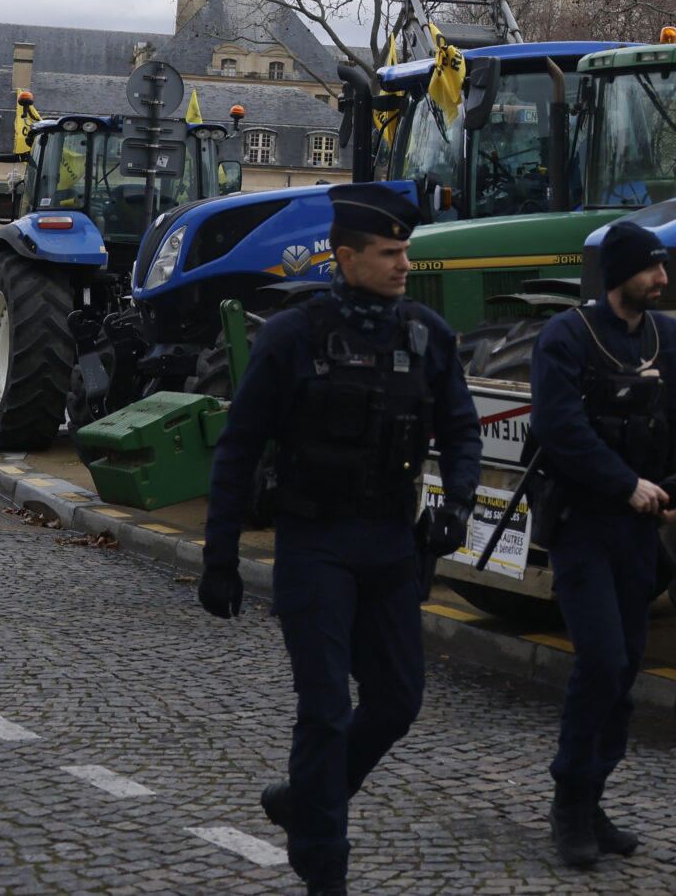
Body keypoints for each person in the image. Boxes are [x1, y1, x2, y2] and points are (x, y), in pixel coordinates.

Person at [198, 183, 481, 896]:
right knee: (324, 707)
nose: (404, 264)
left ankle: (305, 798)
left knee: (397, 701)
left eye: (406, 250)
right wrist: (220, 557)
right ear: (346, 256)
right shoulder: (293, 335)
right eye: (389, 253)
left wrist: (460, 504)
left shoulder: (425, 334)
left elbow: (462, 427)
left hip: (391, 544)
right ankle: (324, 865)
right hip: (314, 544)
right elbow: (238, 447)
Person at [529, 218, 676, 869]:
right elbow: (559, 428)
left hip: (639, 533)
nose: (665, 278)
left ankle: (592, 798)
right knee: (603, 660)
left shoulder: (674, 341)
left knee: (627, 667)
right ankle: (568, 800)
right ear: (622, 272)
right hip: (582, 526)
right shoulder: (565, 336)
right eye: (653, 267)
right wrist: (626, 485)